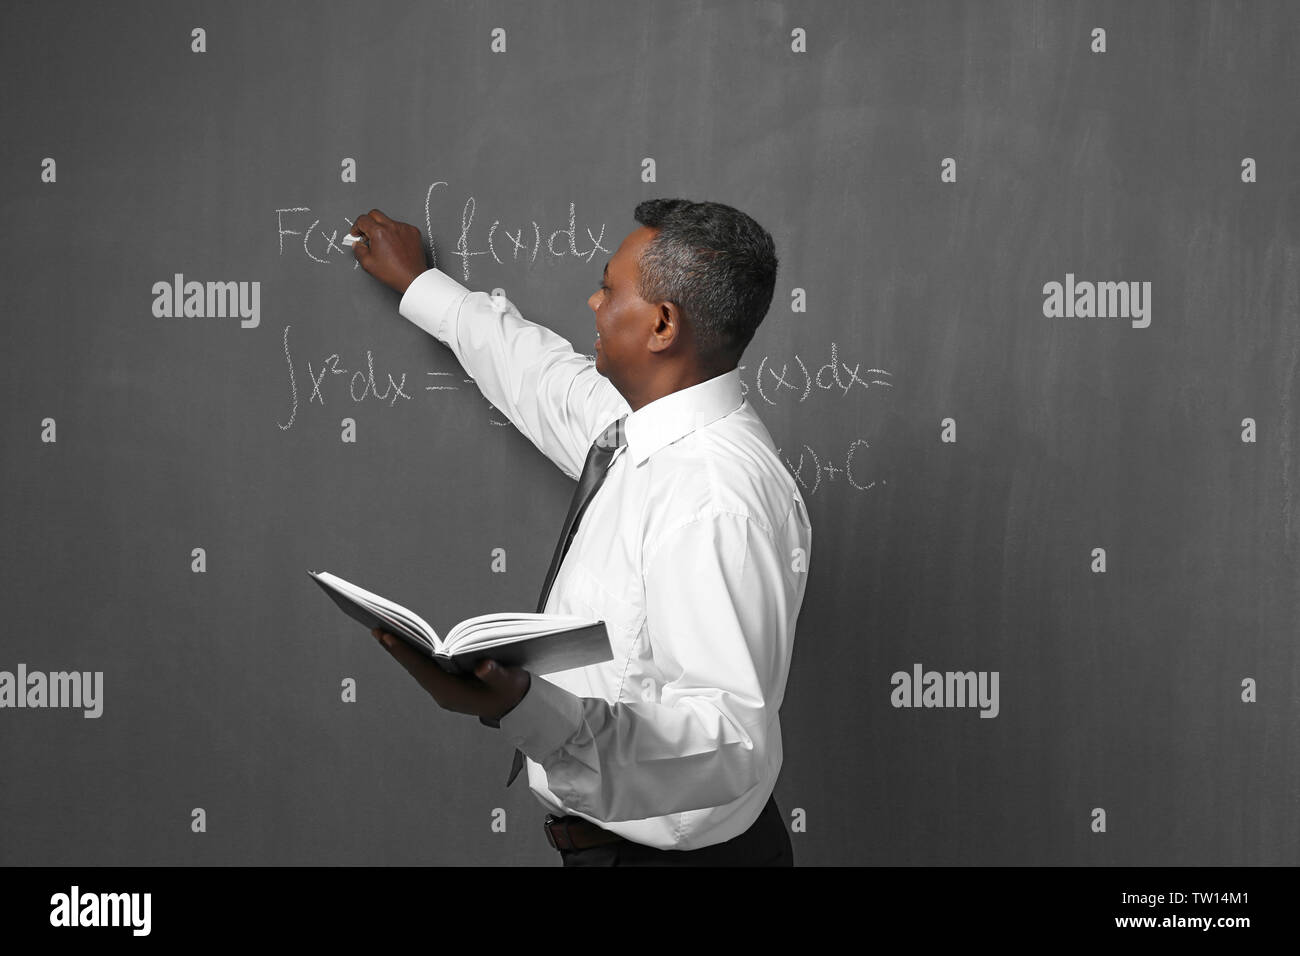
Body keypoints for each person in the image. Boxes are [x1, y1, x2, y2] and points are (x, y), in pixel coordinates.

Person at [350, 199, 811, 866]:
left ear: (661, 324)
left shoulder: (712, 499)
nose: (593, 303)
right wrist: (426, 287)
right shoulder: (642, 433)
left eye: (608, 287)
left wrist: (527, 707)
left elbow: (726, 746)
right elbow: (543, 381)